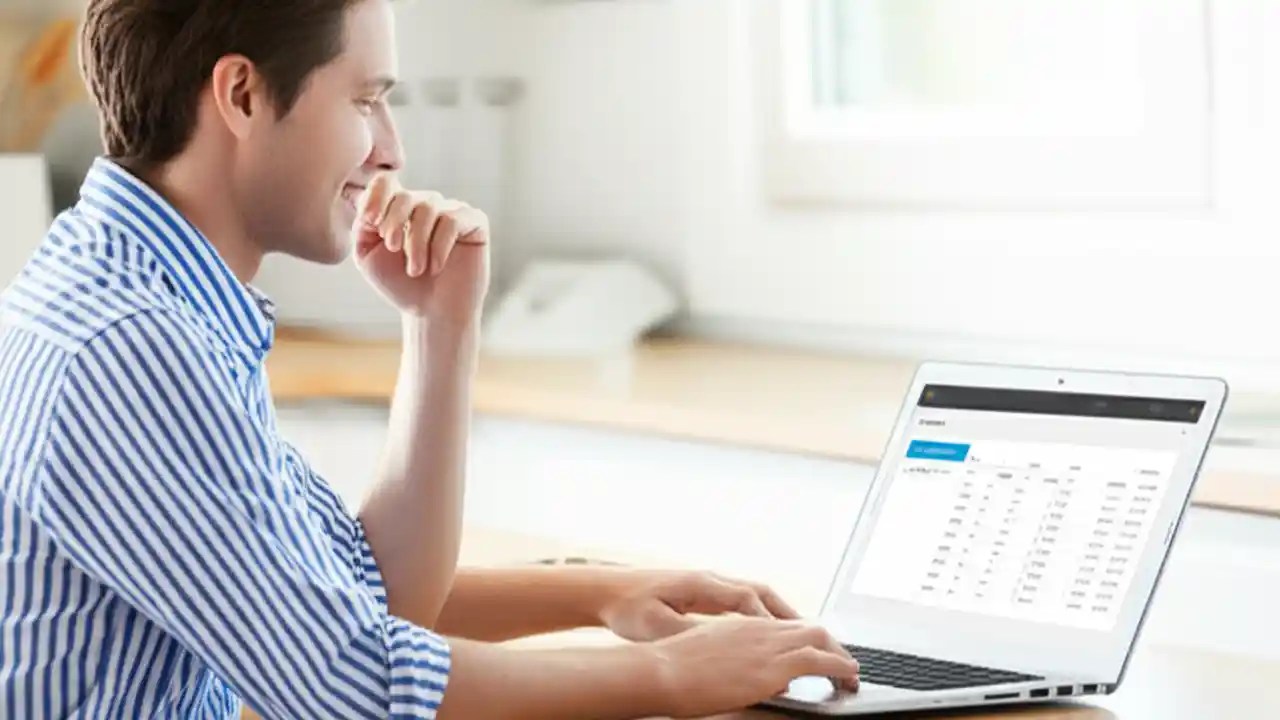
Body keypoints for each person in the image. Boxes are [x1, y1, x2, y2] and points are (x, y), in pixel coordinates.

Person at [0, 1, 860, 718]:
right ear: (242, 94)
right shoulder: (131, 349)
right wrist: (676, 675)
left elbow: (362, 589)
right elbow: (349, 682)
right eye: (366, 99)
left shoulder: (127, 291)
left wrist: (440, 326)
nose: (391, 149)